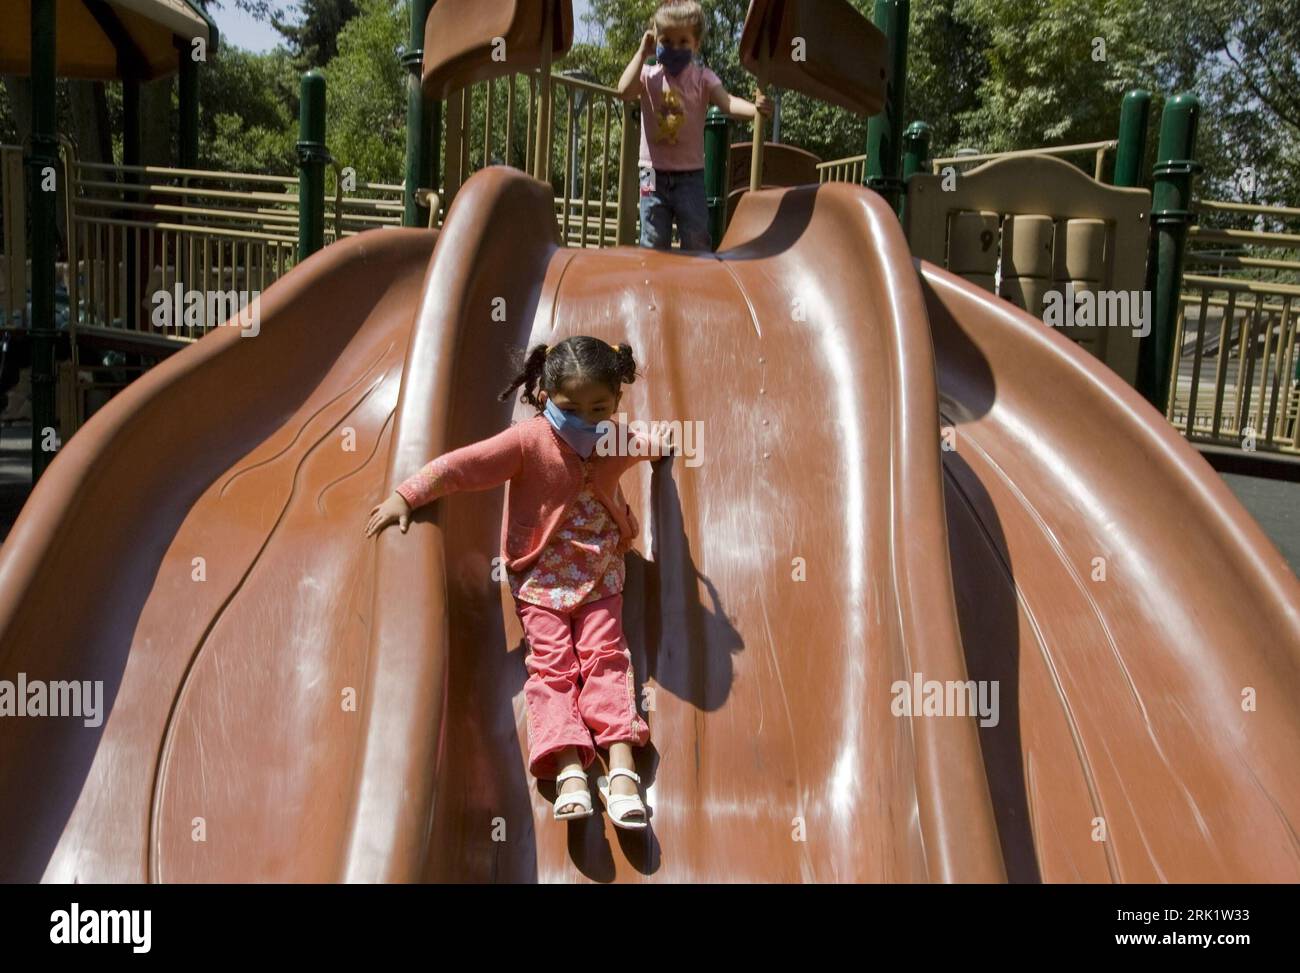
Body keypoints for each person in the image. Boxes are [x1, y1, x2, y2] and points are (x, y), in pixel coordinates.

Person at [364, 337, 667, 829]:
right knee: (552, 666)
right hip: (541, 576)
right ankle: (569, 766)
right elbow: (464, 467)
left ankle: (622, 767)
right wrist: (409, 494)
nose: (587, 419)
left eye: (600, 407)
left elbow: (654, 441)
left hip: (601, 573)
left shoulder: (614, 436)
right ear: (546, 396)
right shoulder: (528, 441)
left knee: (607, 657)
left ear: (615, 402)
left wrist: (673, 448)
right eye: (572, 408)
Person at [617, 0, 773, 250]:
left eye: (683, 42)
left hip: (690, 174)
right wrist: (641, 53)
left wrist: (755, 111)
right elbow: (624, 90)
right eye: (666, 41)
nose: (674, 47)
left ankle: (695, 284)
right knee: (652, 237)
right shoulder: (648, 76)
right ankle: (655, 285)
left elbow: (727, 102)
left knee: (697, 236)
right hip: (651, 172)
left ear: (696, 45)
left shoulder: (703, 78)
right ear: (655, 41)